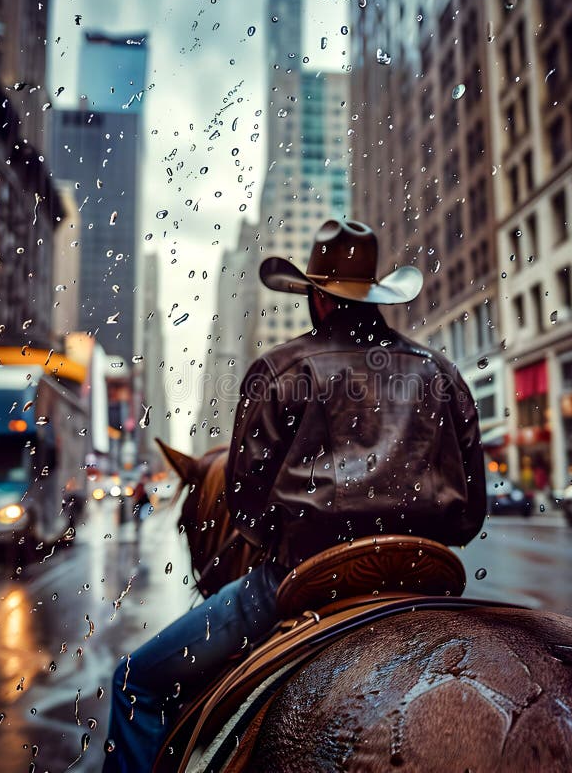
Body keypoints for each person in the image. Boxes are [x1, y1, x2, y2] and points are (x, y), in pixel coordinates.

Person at [103, 219, 486, 772]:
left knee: (135, 683)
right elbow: (470, 515)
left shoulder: (279, 370)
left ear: (320, 300)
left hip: (307, 576)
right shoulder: (441, 373)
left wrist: (295, 534)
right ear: (373, 295)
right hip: (428, 575)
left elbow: (246, 508)